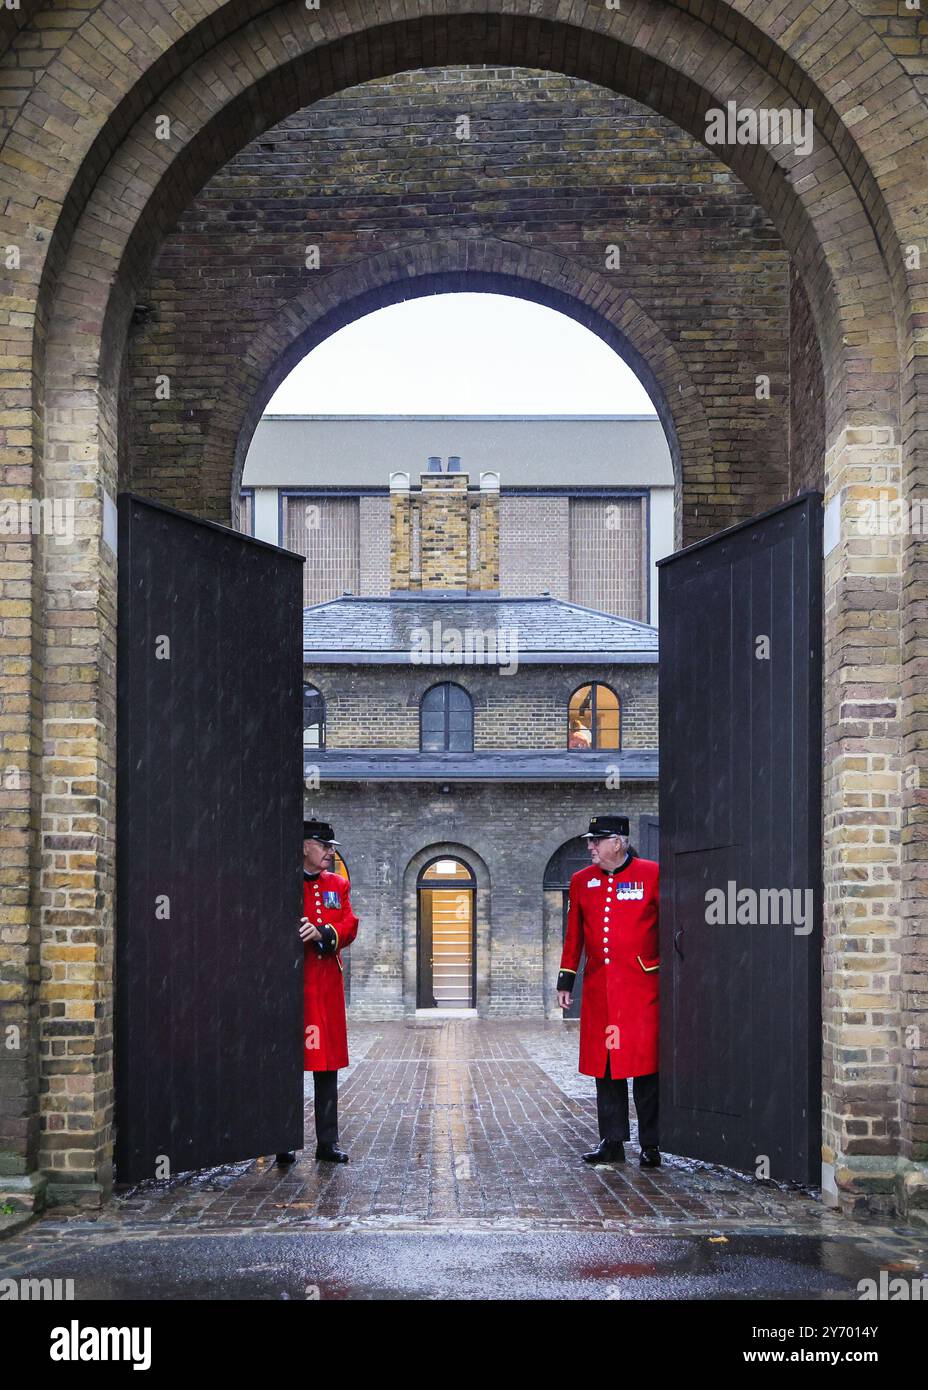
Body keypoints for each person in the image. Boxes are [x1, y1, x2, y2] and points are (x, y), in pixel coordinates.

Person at [556, 814, 661, 1168]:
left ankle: (651, 1144)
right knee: (608, 1067)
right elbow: (574, 936)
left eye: (596, 840)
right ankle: (612, 1142)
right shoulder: (581, 881)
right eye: (590, 840)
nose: (590, 847)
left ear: (618, 842)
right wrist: (565, 980)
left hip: (642, 987)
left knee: (646, 1067)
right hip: (602, 988)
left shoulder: (652, 874)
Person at [276, 819, 359, 1165]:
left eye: (331, 847)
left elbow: (349, 924)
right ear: (304, 846)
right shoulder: (280, 881)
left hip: (324, 984)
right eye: (324, 846)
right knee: (286, 1063)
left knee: (327, 1067)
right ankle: (283, 1140)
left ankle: (327, 1142)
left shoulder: (337, 884)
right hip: (289, 984)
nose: (330, 852)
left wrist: (323, 932)